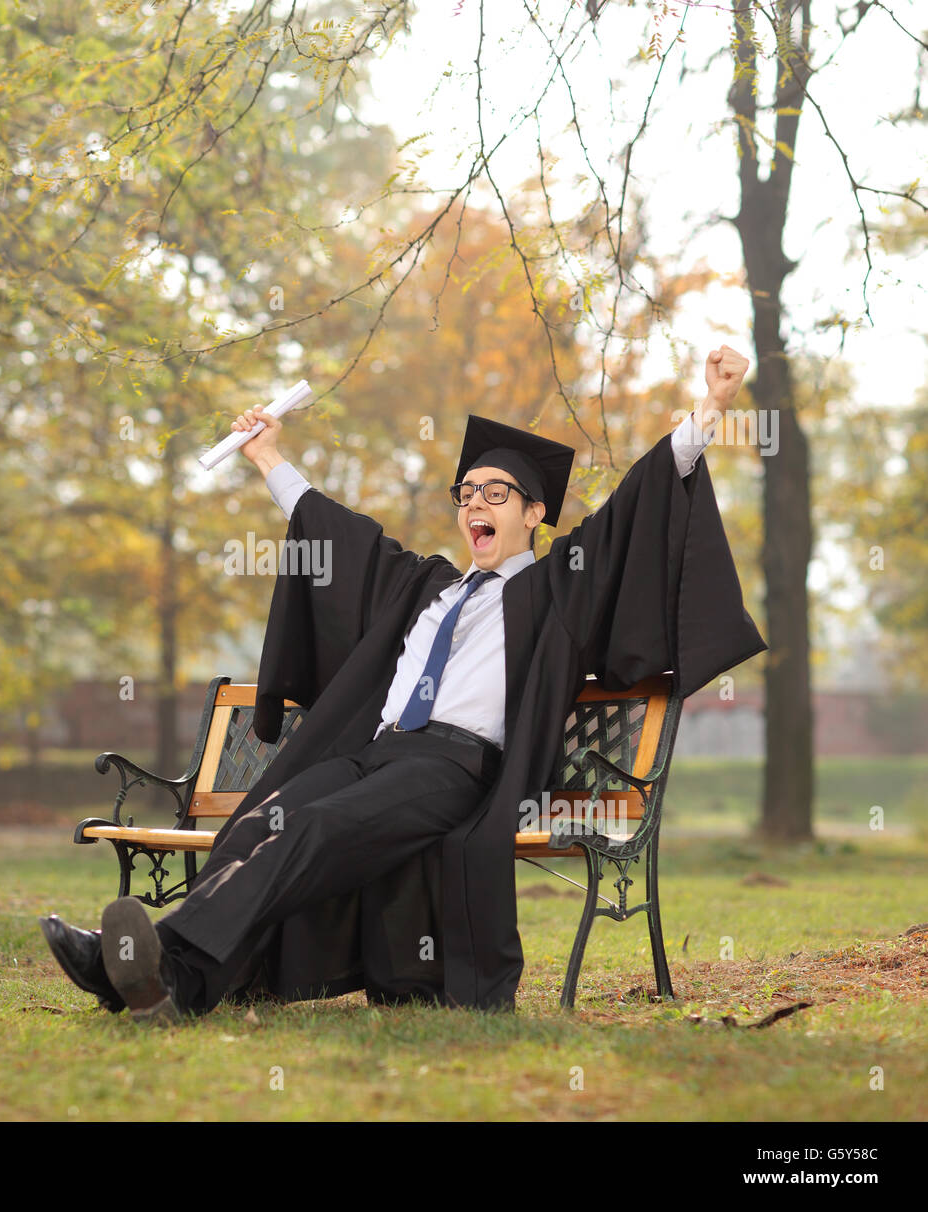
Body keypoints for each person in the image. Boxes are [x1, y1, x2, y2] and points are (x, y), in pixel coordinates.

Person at [42, 346, 767, 1022]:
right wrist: (267, 457)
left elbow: (628, 516)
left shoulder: (554, 589)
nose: (474, 505)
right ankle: (167, 986)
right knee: (264, 818)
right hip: (375, 755)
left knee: (317, 828)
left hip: (453, 767)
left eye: (495, 493)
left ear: (534, 513)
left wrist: (707, 409)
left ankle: (155, 959)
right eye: (466, 493)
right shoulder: (428, 585)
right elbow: (334, 533)